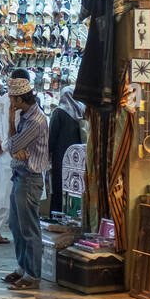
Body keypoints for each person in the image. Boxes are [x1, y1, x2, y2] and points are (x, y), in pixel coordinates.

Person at [3, 76, 50, 291]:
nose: (11, 103)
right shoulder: (26, 116)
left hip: (29, 179)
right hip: (20, 175)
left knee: (29, 227)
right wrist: (13, 135)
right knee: (16, 224)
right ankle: (23, 268)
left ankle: (32, 275)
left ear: (21, 98)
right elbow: (12, 145)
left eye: (13, 99)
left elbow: (12, 145)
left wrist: (14, 142)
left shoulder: (35, 121)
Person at [0, 67, 30, 245]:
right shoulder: (15, 102)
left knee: (5, 193)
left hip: (6, 154)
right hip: (14, 155)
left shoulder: (2, 100)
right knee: (7, 195)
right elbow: (14, 129)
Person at [46, 88, 86, 218]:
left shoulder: (59, 112)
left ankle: (57, 216)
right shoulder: (81, 112)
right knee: (74, 189)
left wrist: (47, 156)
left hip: (61, 159)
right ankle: (73, 217)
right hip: (79, 159)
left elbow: (51, 137)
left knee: (58, 188)